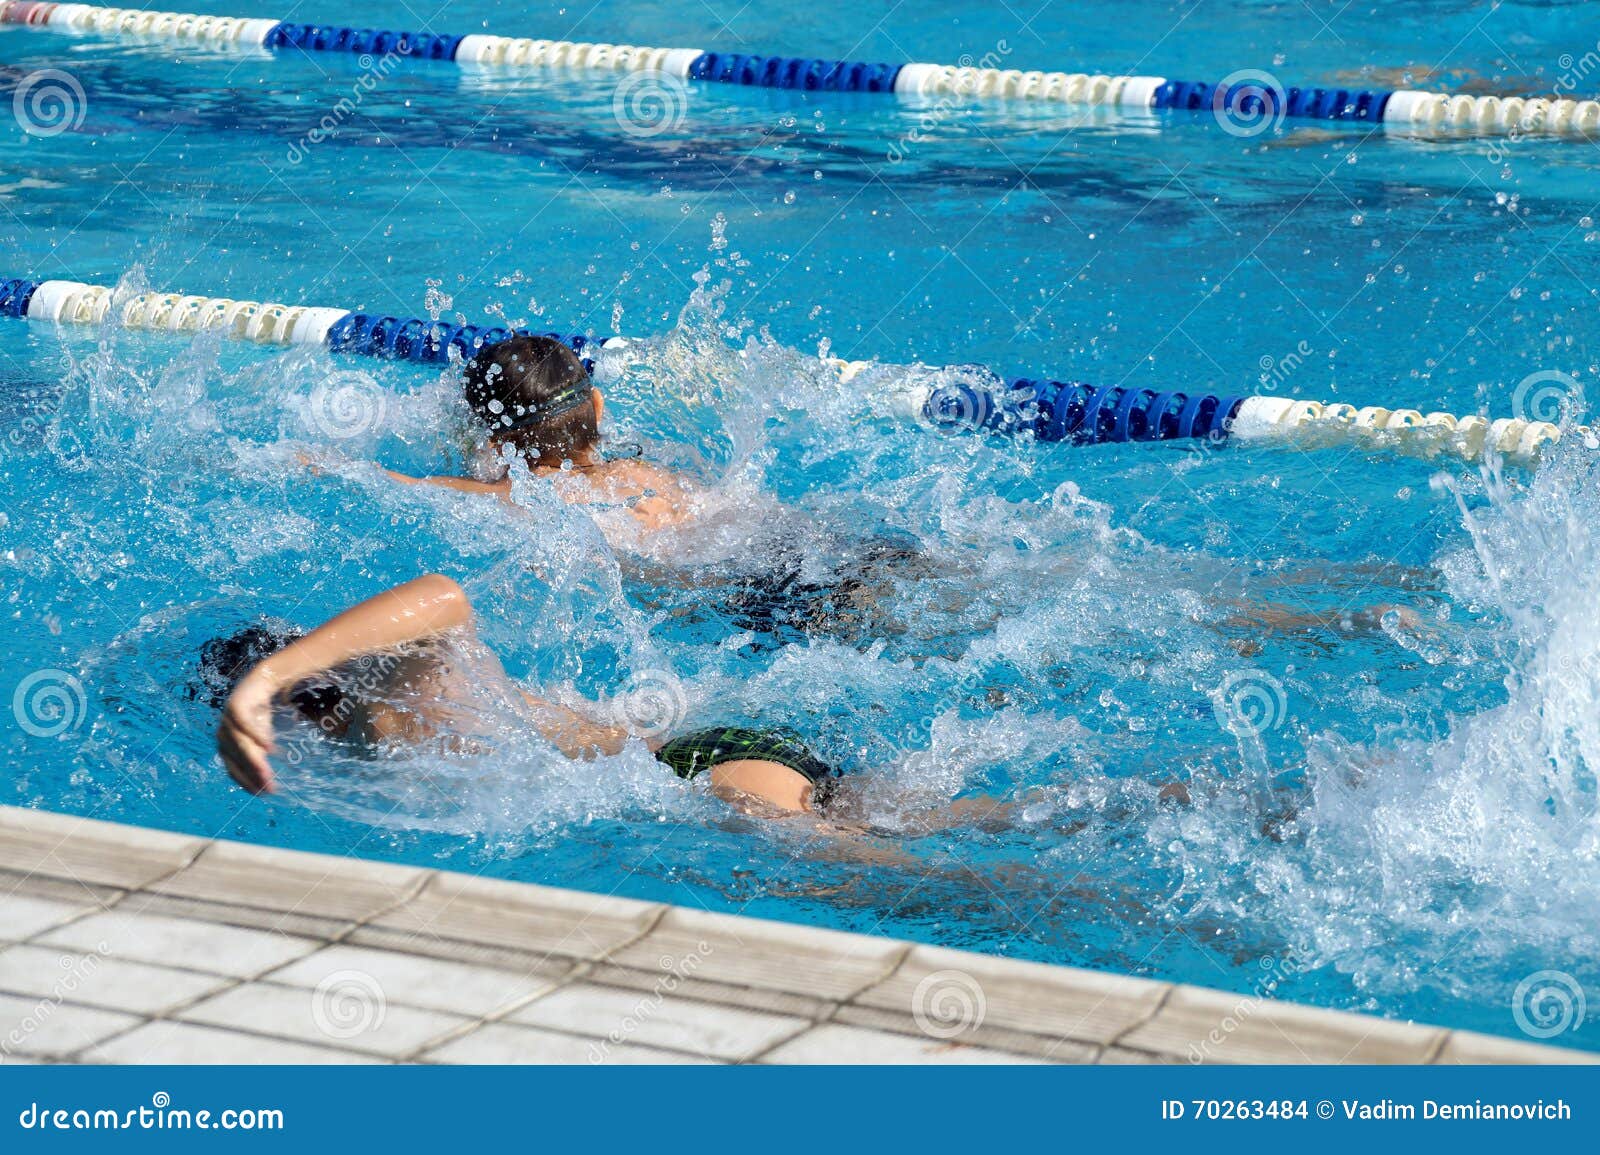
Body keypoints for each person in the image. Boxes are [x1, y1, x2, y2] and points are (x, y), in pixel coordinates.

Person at [207, 574, 840, 815]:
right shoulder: (411, 699)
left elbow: (443, 596)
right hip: (715, 755)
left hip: (698, 774)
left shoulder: (386, 696)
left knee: (878, 885)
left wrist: (260, 682)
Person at [380, 334, 695, 532]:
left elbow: (389, 482)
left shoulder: (512, 494)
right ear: (598, 405)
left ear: (498, 444)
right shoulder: (647, 475)